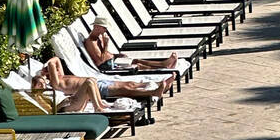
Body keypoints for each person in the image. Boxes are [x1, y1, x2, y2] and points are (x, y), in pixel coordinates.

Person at [33, 55, 168, 107]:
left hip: (98, 82)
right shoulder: (57, 84)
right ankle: (153, 92)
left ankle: (159, 85)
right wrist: (45, 70)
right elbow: (52, 64)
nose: (55, 69)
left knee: (129, 84)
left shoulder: (61, 77)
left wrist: (50, 63)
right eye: (50, 71)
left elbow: (55, 59)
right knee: (126, 90)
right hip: (95, 89)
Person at [83, 18, 176, 73]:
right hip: (107, 66)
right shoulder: (91, 42)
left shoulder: (98, 38)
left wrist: (116, 55)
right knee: (137, 65)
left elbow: (105, 53)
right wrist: (106, 44)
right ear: (97, 27)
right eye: (104, 28)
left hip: (111, 61)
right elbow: (100, 61)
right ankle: (162, 69)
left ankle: (163, 64)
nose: (105, 30)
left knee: (136, 60)